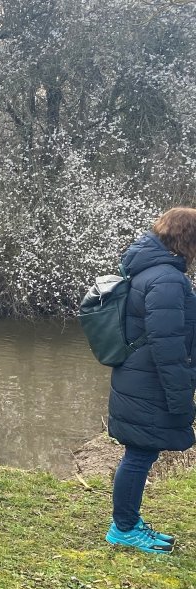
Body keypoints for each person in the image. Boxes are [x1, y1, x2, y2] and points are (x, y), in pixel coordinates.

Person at [104, 206, 196, 554]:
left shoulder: (146, 270)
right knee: (139, 455)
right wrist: (181, 398)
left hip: (138, 377)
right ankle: (123, 528)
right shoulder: (166, 279)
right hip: (150, 383)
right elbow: (167, 346)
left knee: (140, 453)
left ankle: (128, 520)